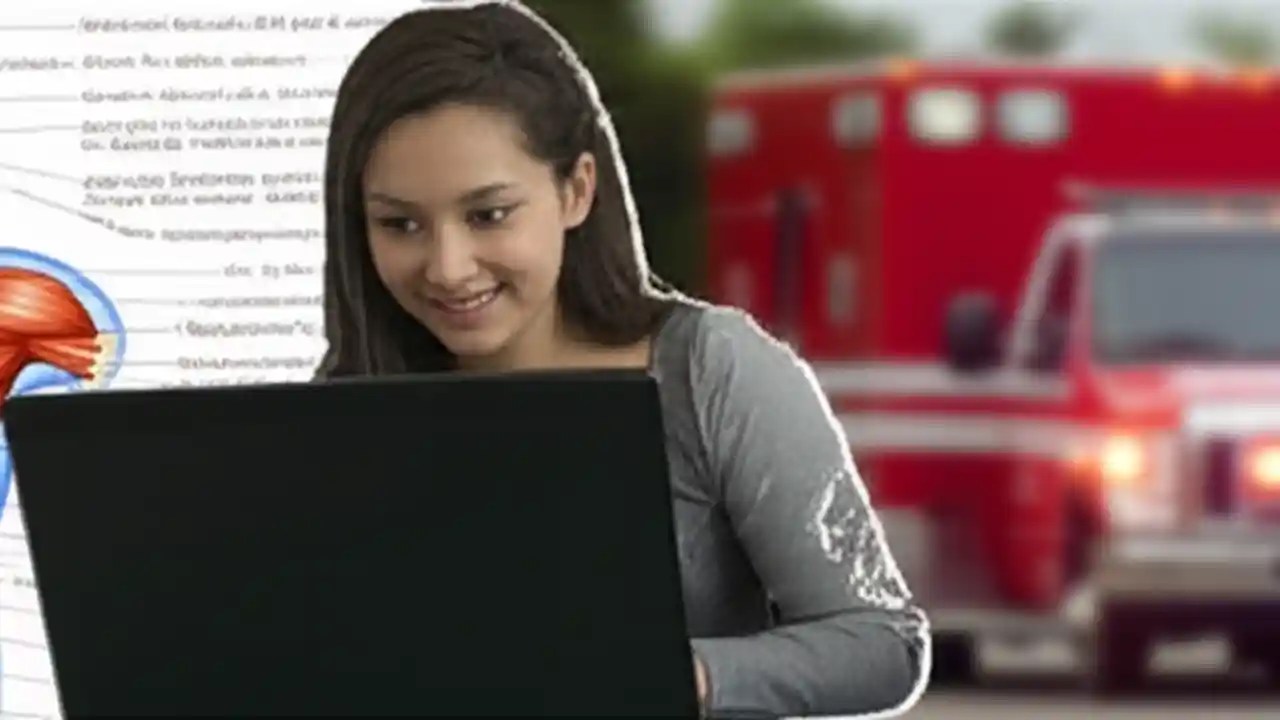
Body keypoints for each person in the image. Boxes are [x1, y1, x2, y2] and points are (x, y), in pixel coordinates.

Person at [315, 1, 931, 717]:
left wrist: (670, 675)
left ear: (577, 189)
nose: (448, 267)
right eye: (401, 224)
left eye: (488, 215)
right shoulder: (338, 411)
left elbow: (884, 643)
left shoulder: (712, 371)